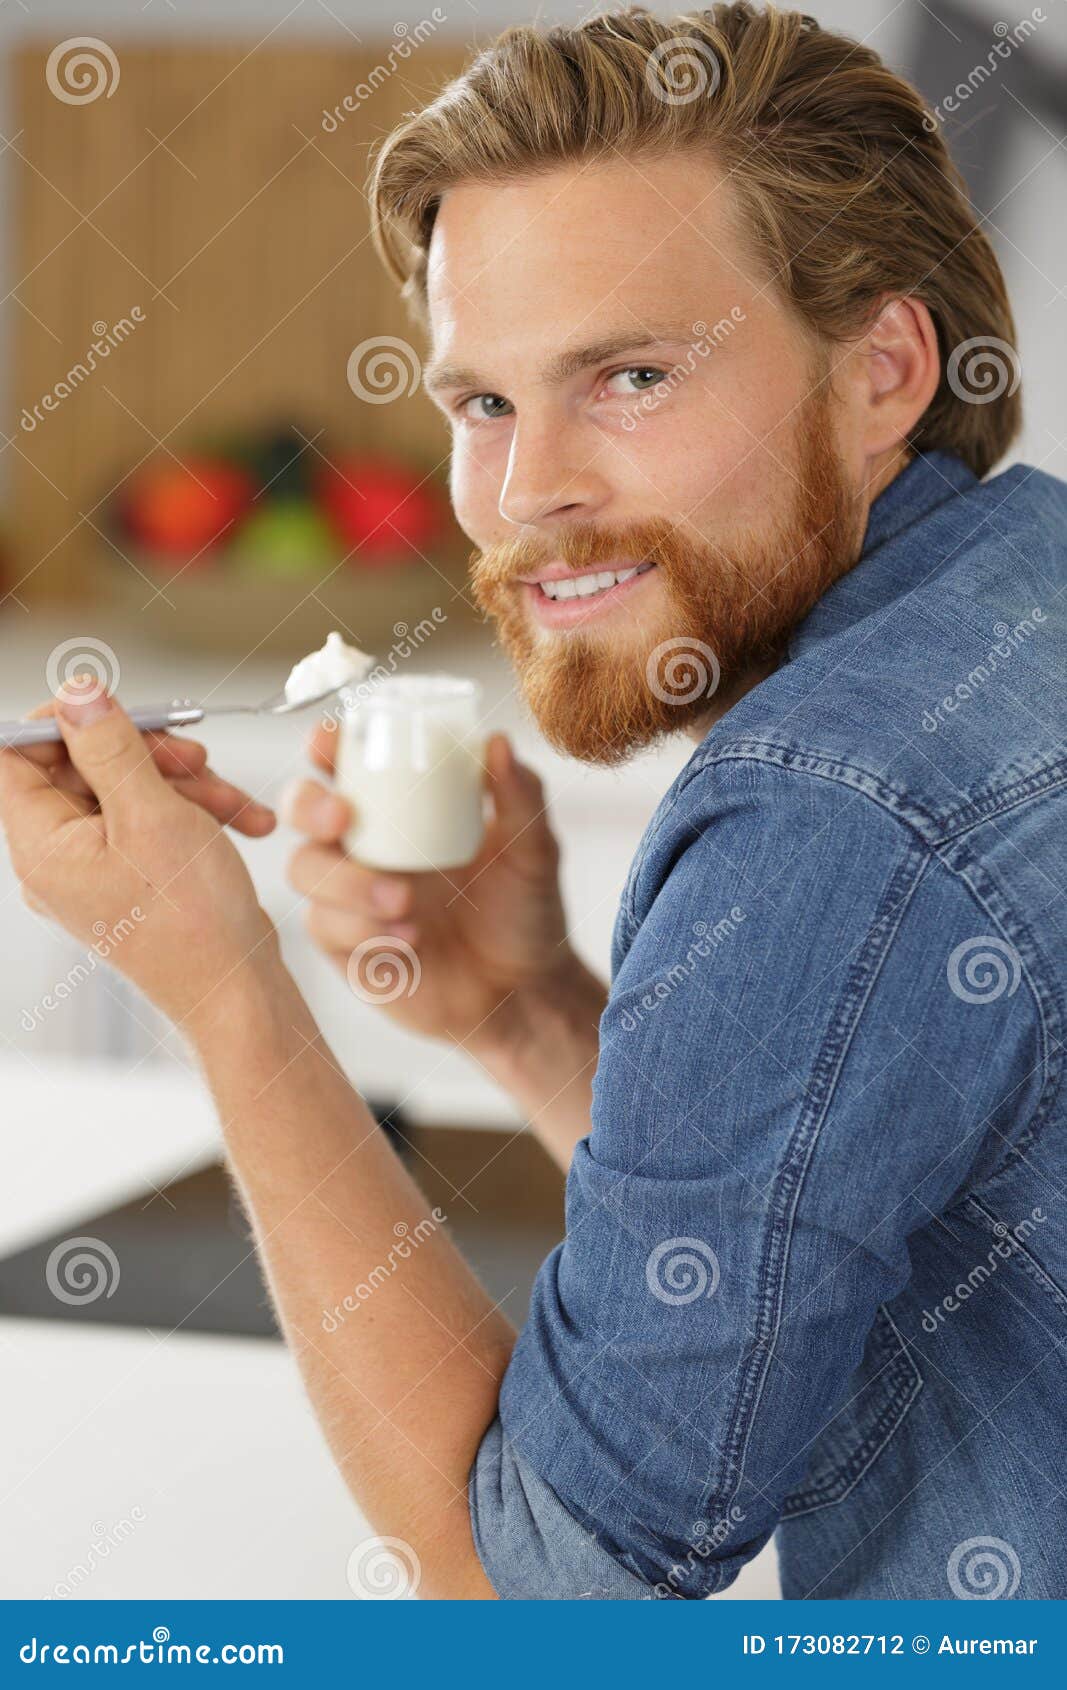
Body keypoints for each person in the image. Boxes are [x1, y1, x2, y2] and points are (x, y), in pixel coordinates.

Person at [2, 3, 1064, 1600]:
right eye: (481, 404)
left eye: (629, 375)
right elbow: (820, 1271)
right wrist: (530, 1016)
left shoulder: (826, 809)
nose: (523, 495)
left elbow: (545, 1600)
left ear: (885, 372)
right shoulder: (1025, 586)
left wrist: (228, 986)